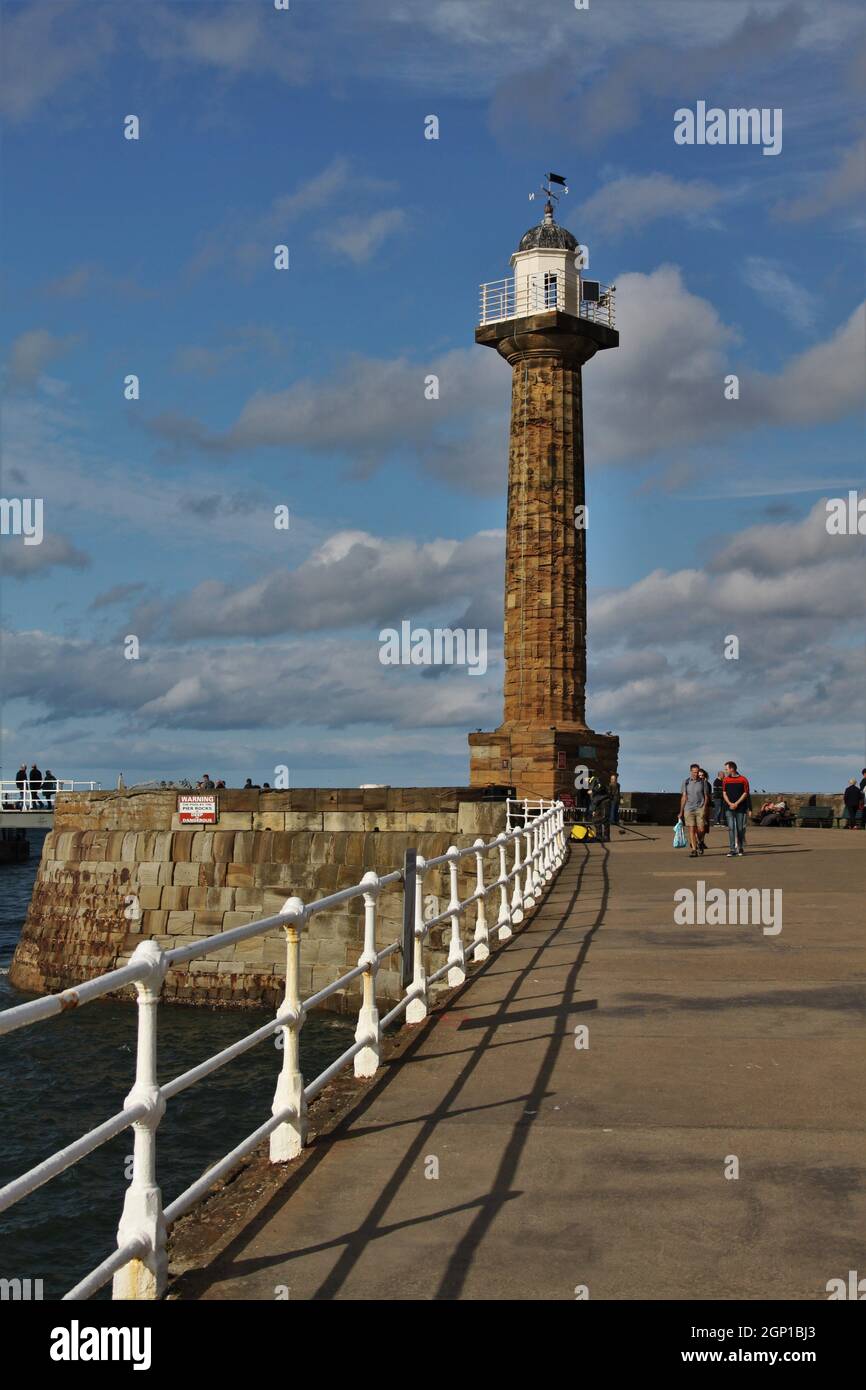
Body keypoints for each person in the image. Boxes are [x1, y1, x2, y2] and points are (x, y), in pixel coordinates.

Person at [679, 763, 710, 857]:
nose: (695, 774)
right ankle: (694, 849)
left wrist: (704, 807)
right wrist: (681, 811)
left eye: (697, 772)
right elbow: (684, 797)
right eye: (694, 772)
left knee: (701, 829)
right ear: (690, 772)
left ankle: (699, 841)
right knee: (691, 829)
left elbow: (706, 797)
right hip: (689, 808)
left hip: (700, 807)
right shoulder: (686, 782)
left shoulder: (703, 782)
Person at [722, 760, 750, 857]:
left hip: (740, 807)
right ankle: (732, 849)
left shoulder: (743, 779)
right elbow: (724, 793)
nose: (725, 771)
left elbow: (746, 793)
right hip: (729, 807)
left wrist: (737, 803)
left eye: (726, 769)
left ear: (732, 769)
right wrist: (730, 803)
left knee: (740, 828)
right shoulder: (725, 780)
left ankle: (740, 848)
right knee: (731, 828)